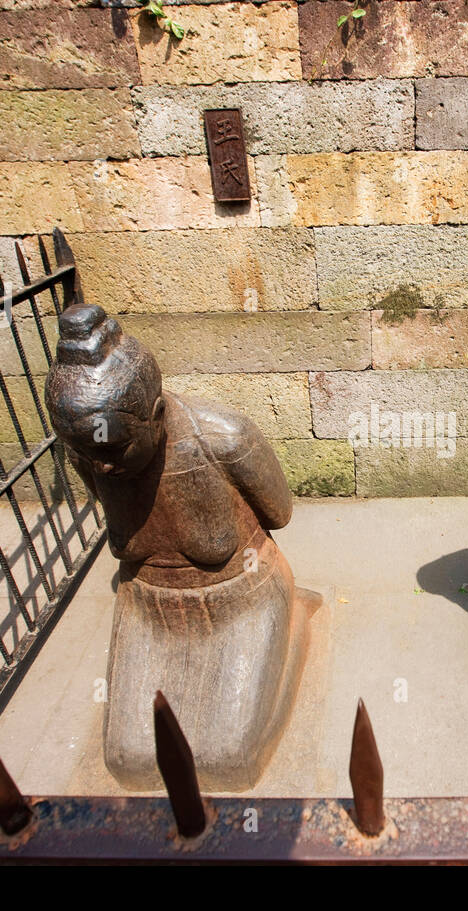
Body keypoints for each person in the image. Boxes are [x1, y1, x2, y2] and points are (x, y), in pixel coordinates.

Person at [45, 303, 320, 791]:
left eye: (113, 448)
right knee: (131, 760)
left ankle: (293, 618)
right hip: (149, 606)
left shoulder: (225, 437)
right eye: (86, 451)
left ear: (154, 415)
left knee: (226, 759)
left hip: (242, 597)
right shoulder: (89, 453)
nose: (101, 467)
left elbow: (280, 511)